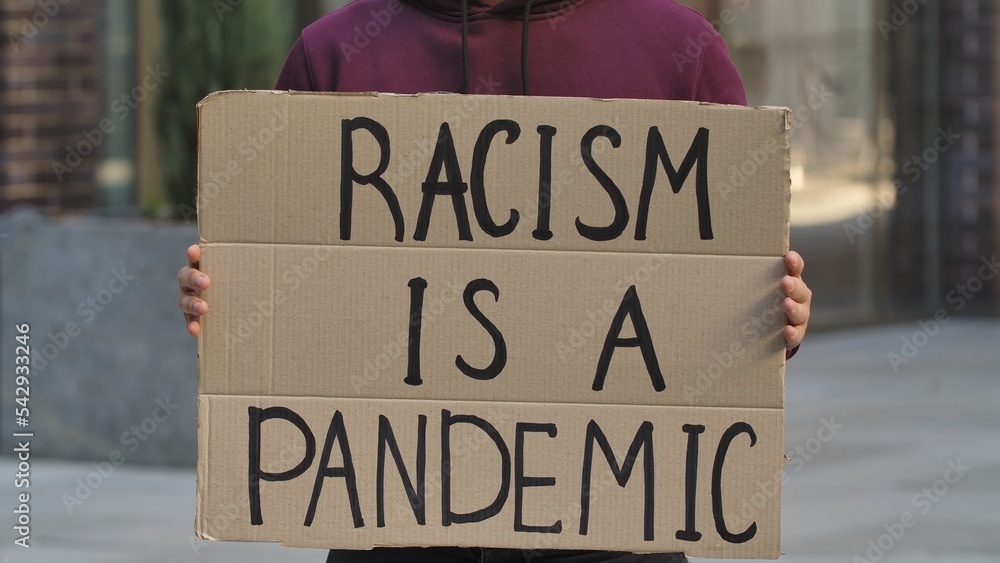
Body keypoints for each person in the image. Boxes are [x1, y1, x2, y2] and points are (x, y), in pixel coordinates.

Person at [177, 1, 813, 561]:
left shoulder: (678, 47)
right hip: (396, 524)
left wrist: (771, 316)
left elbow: (730, 274)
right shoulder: (334, 53)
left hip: (617, 530)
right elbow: (281, 274)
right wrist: (226, 297)